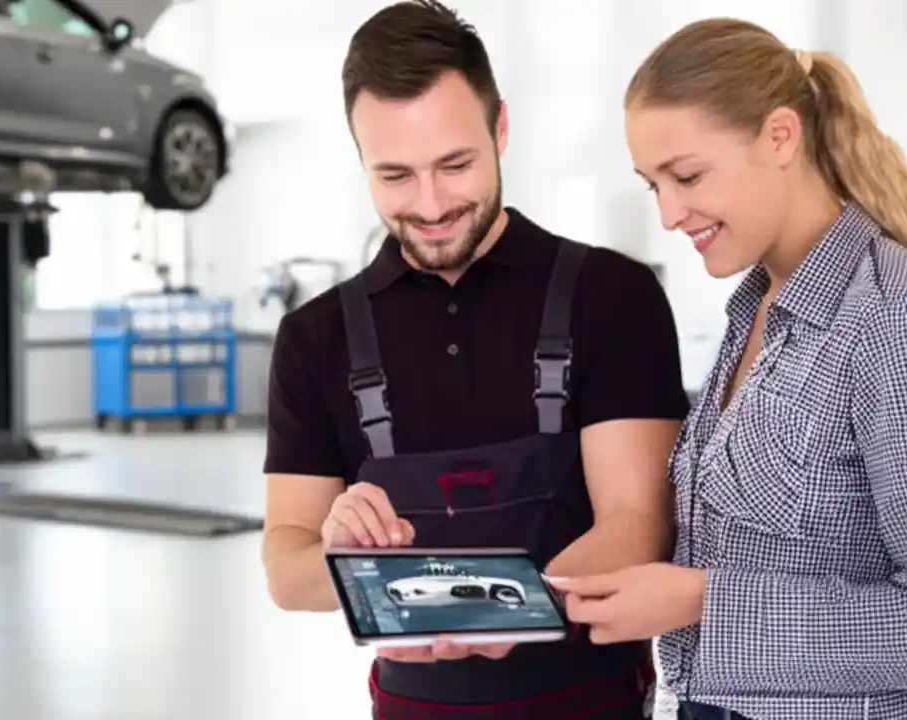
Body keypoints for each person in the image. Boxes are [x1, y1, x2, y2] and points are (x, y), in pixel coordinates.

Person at [548, 17, 907, 720]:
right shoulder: (758, 306)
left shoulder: (902, 326)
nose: (669, 213)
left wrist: (702, 601)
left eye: (688, 175)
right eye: (653, 186)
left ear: (781, 137)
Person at [259, 2, 691, 718]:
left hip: (589, 700)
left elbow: (642, 522)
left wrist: (502, 612)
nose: (430, 205)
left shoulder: (613, 297)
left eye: (454, 165)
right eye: (395, 176)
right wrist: (349, 560)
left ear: (501, 130)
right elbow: (285, 568)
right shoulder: (315, 338)